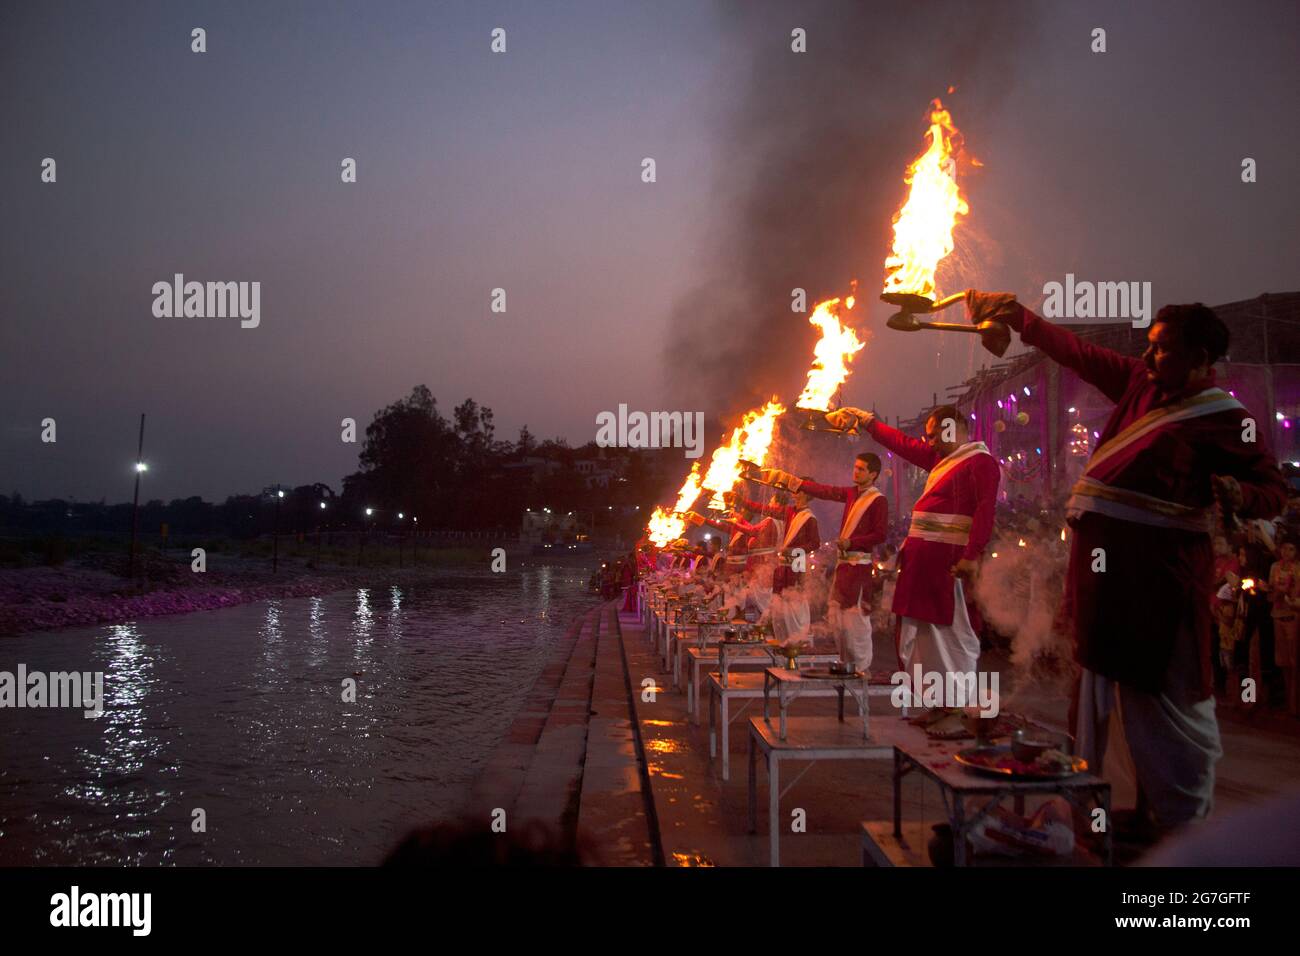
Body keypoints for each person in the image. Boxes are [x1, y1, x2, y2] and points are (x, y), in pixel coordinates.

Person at [965, 289, 1288, 833]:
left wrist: (1237, 492)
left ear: (1201, 360)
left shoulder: (1224, 418)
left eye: (1161, 349)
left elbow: (1271, 489)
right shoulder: (1140, 384)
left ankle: (1180, 826)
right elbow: (1082, 355)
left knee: (1161, 693)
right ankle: (1110, 812)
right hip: (1103, 581)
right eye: (1149, 346)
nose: (1147, 357)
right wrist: (1019, 317)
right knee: (1098, 693)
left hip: (1158, 582)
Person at [817, 408, 999, 693]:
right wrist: (867, 422)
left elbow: (985, 510)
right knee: (924, 635)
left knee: (949, 636)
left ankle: (956, 707)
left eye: (934, 436)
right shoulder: (941, 460)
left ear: (953, 428)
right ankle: (936, 702)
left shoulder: (980, 463)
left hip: (949, 563)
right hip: (922, 564)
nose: (929, 443)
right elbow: (903, 444)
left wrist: (971, 556)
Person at [763, 453, 887, 670]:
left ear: (873, 474)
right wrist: (794, 481)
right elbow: (826, 491)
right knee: (839, 620)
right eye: (855, 467)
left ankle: (860, 666)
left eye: (861, 469)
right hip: (842, 567)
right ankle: (846, 664)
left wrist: (852, 542)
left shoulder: (877, 500)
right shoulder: (848, 494)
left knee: (854, 618)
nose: (855, 471)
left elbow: (880, 534)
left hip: (857, 568)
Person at [731, 484, 821, 645]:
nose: (795, 494)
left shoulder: (809, 517)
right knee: (780, 598)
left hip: (798, 559)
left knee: (795, 598)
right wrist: (742, 501)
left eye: (799, 491)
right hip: (783, 562)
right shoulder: (790, 513)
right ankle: (784, 640)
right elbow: (765, 509)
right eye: (795, 490)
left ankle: (797, 639)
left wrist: (794, 550)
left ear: (808, 495)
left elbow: (815, 543)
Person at [1268, 539, 1300, 715]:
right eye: (1284, 549)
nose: (1287, 552)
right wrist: (1273, 591)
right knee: (1283, 662)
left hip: (1293, 616)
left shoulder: (1298, 568)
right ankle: (1290, 702)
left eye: (1291, 549)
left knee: (1295, 662)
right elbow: (1271, 593)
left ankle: (1295, 704)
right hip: (1277, 615)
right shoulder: (1274, 567)